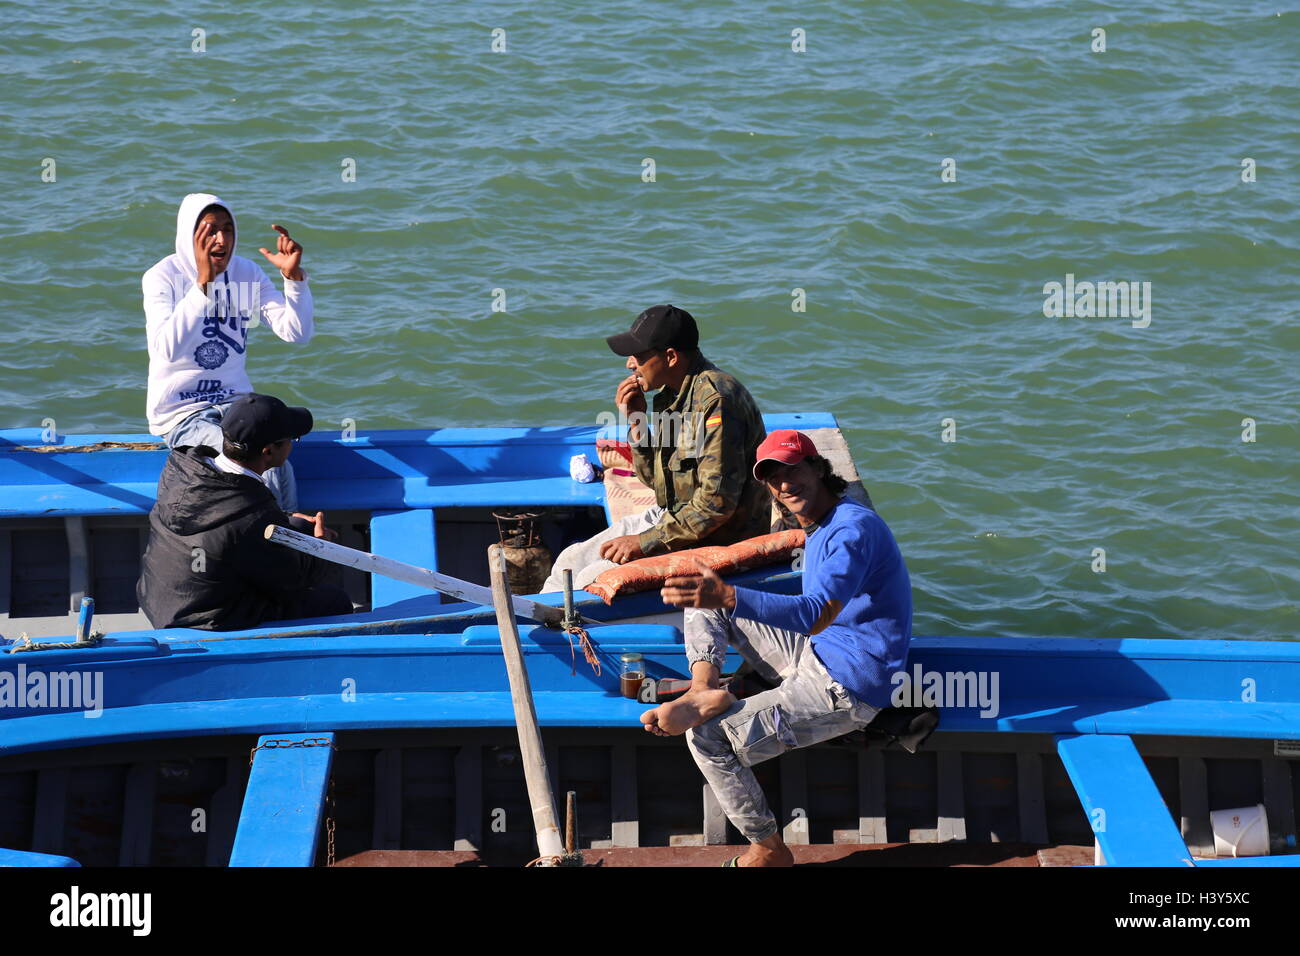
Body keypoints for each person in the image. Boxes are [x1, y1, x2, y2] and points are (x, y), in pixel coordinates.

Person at [641, 429, 913, 867]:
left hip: (847, 684)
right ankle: (702, 689)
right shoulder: (824, 522)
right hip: (818, 650)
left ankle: (769, 850)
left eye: (794, 470)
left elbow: (815, 613)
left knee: (707, 738)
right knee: (702, 599)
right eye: (774, 478)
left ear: (819, 469)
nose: (786, 484)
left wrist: (731, 596)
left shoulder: (851, 530)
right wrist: (722, 597)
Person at [541, 304, 770, 592]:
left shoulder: (716, 402)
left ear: (670, 357)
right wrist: (637, 421)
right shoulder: (670, 395)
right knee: (570, 560)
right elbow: (658, 484)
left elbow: (715, 506)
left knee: (590, 580)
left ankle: (556, 630)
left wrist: (644, 541)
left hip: (717, 537)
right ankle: (536, 622)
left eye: (638, 356)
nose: (630, 364)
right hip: (677, 520)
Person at [143, 192, 314, 512]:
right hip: (181, 412)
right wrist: (203, 287)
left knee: (277, 462)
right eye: (210, 230)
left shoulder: (246, 273)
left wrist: (294, 281)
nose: (221, 239)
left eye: (228, 228)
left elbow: (296, 333)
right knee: (256, 460)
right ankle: (281, 544)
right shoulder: (162, 277)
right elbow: (165, 350)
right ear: (188, 234)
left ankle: (285, 540)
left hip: (235, 403)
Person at [136, 393, 353, 631]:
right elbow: (291, 581)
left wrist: (285, 522)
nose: (293, 444)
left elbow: (234, 532)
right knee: (334, 600)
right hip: (208, 618)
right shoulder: (252, 516)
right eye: (292, 439)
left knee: (298, 528)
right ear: (268, 452)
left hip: (158, 600)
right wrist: (321, 548)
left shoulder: (180, 468)